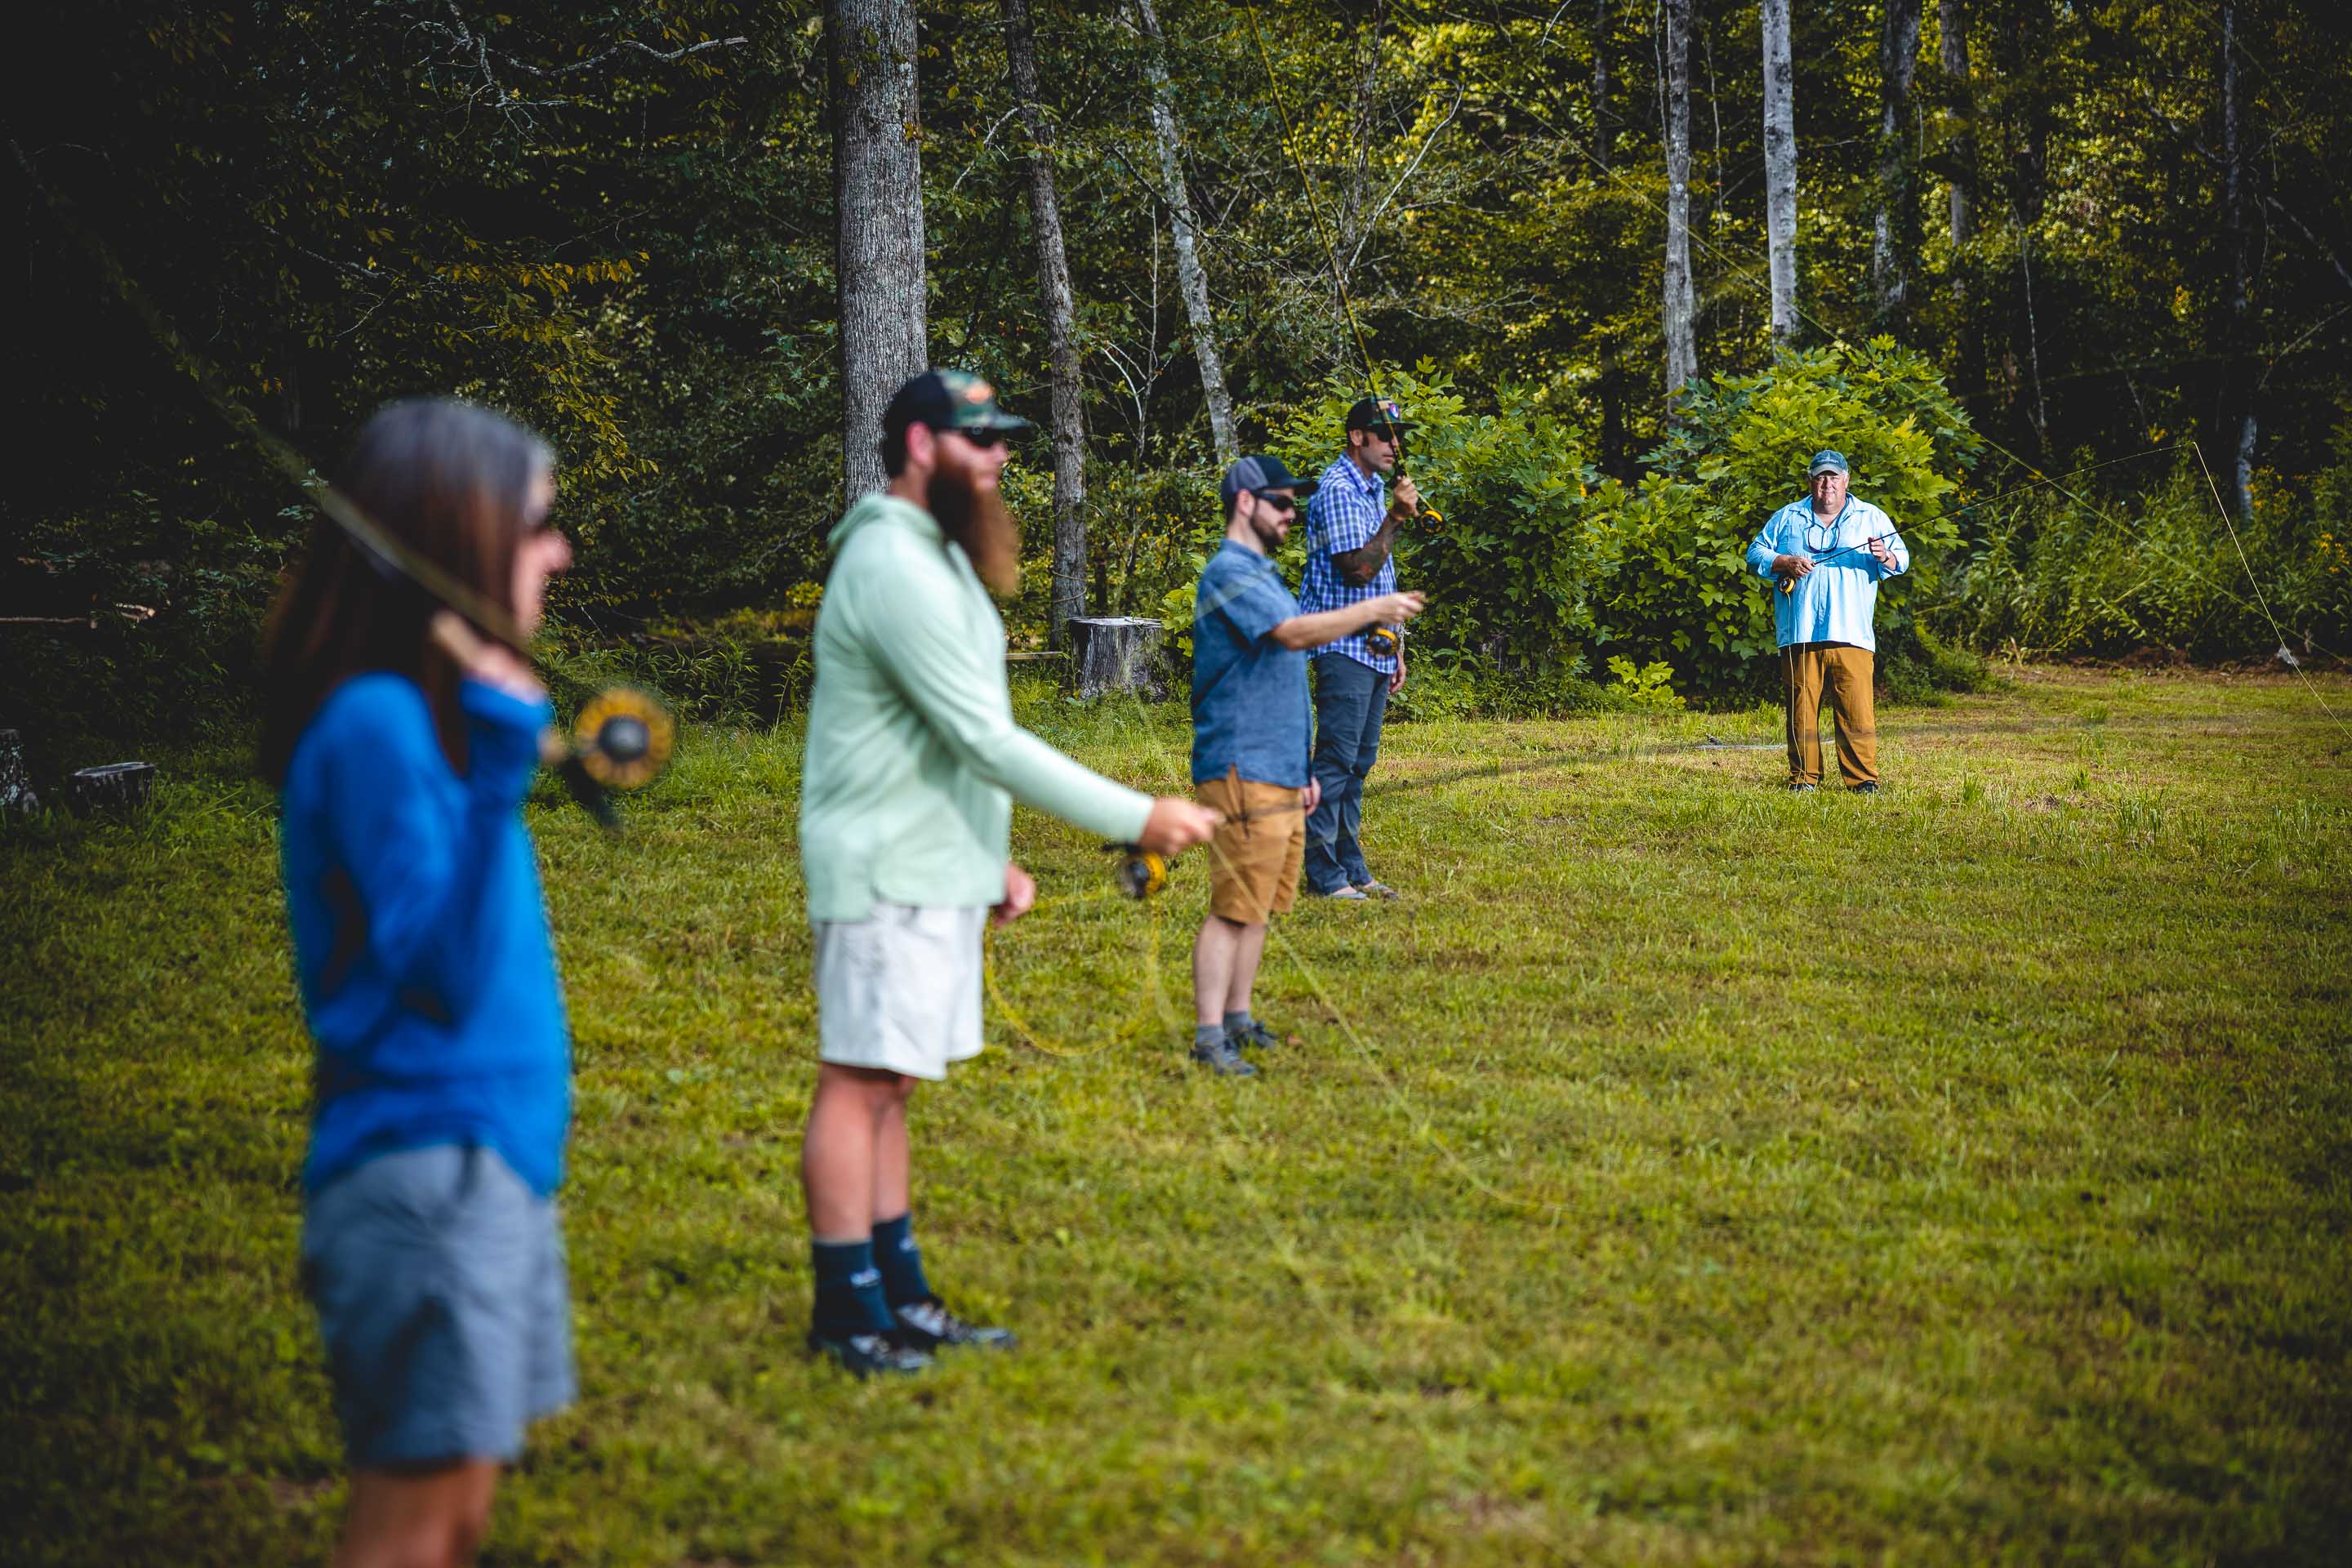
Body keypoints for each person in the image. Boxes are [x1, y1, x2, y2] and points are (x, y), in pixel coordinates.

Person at [797, 368, 1220, 1375]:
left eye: (1002, 439)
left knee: (893, 1083)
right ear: (919, 446)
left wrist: (982, 859)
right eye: (977, 438)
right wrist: (1138, 816)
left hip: (925, 860)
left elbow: (933, 741)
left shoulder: (932, 555)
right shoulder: (889, 561)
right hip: (880, 868)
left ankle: (900, 1297)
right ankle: (846, 1313)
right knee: (858, 1081)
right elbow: (985, 739)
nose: (997, 457)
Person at [258, 399, 578, 1568]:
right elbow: (438, 974)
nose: (559, 552)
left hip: (488, 1163)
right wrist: (499, 771)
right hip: (427, 1171)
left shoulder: (420, 718)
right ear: (460, 535)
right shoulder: (378, 725)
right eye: (537, 524)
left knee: (461, 1518)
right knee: (410, 1529)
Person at [1188, 456, 1425, 1076]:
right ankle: (1208, 1036)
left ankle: (1239, 1020)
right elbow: (1293, 635)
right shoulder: (1228, 572)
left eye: (1295, 503)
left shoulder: (1264, 575)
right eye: (1282, 502)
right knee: (1232, 907)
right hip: (1240, 764)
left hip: (1277, 768)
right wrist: (1373, 610)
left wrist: (1302, 773)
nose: (1293, 514)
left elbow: (1283, 680)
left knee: (1261, 904)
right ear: (1246, 503)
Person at [1297, 395, 1423, 900]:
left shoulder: (1371, 488)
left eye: (1398, 436)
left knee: (1359, 763)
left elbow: (1382, 578)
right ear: (1356, 437)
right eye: (1384, 434)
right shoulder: (1338, 489)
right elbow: (1359, 570)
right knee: (1335, 762)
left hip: (1374, 647)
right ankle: (1324, 875)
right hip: (1342, 647)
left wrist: (1396, 647)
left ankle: (1351, 866)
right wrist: (1397, 517)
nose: (1395, 444)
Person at [1744, 449, 1909, 794]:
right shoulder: (1787, 516)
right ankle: (1804, 778)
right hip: (1800, 630)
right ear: (1811, 481)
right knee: (1801, 710)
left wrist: (1885, 555)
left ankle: (1863, 779)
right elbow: (1755, 553)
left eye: (1834, 477)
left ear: (1846, 480)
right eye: (1821, 477)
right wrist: (1785, 561)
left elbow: (1902, 560)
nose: (1827, 484)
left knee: (1856, 711)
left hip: (1851, 631)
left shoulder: (1871, 517)